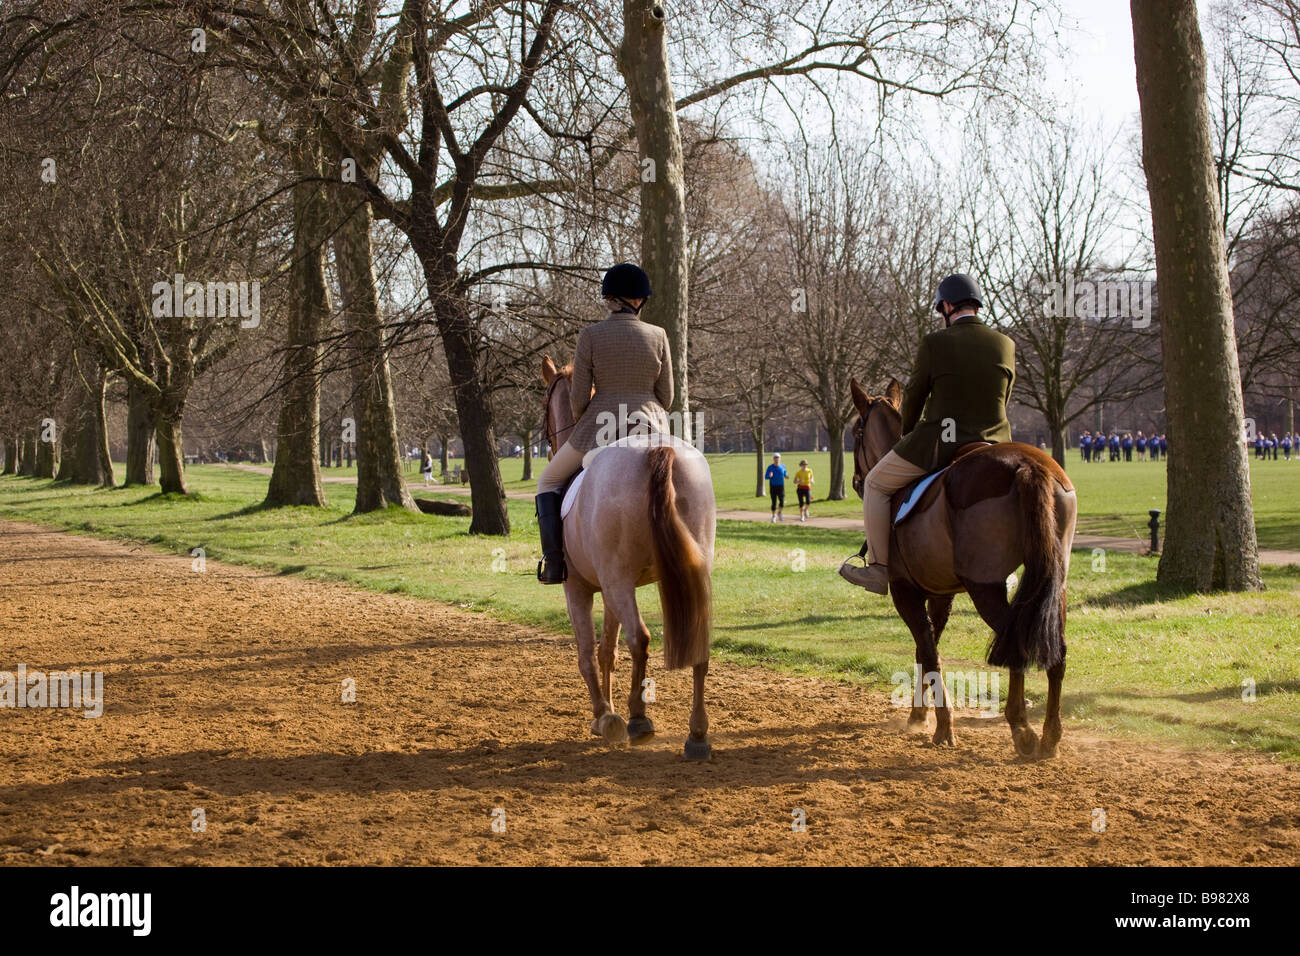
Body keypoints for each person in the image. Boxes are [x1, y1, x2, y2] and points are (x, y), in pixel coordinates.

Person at [840, 273, 1014, 595]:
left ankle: (877, 569)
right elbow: (1002, 398)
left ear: (947, 306)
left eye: (940, 310)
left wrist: (906, 434)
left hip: (941, 441)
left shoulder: (936, 343)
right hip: (996, 442)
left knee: (876, 483)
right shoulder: (1005, 344)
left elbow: (915, 396)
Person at [534, 263, 673, 584]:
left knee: (548, 480)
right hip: (651, 426)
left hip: (600, 426)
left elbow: (579, 400)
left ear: (609, 298)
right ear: (642, 300)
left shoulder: (591, 336)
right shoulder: (659, 336)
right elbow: (666, 398)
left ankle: (554, 563)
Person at [765, 453, 788, 522]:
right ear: (773, 459)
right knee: (774, 502)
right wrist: (770, 476)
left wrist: (786, 476)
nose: (776, 459)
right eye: (775, 458)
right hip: (773, 486)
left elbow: (785, 473)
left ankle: (779, 512)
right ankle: (773, 516)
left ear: (780, 459)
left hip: (781, 486)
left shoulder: (783, 466)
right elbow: (766, 477)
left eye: (778, 458)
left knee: (782, 502)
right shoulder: (770, 467)